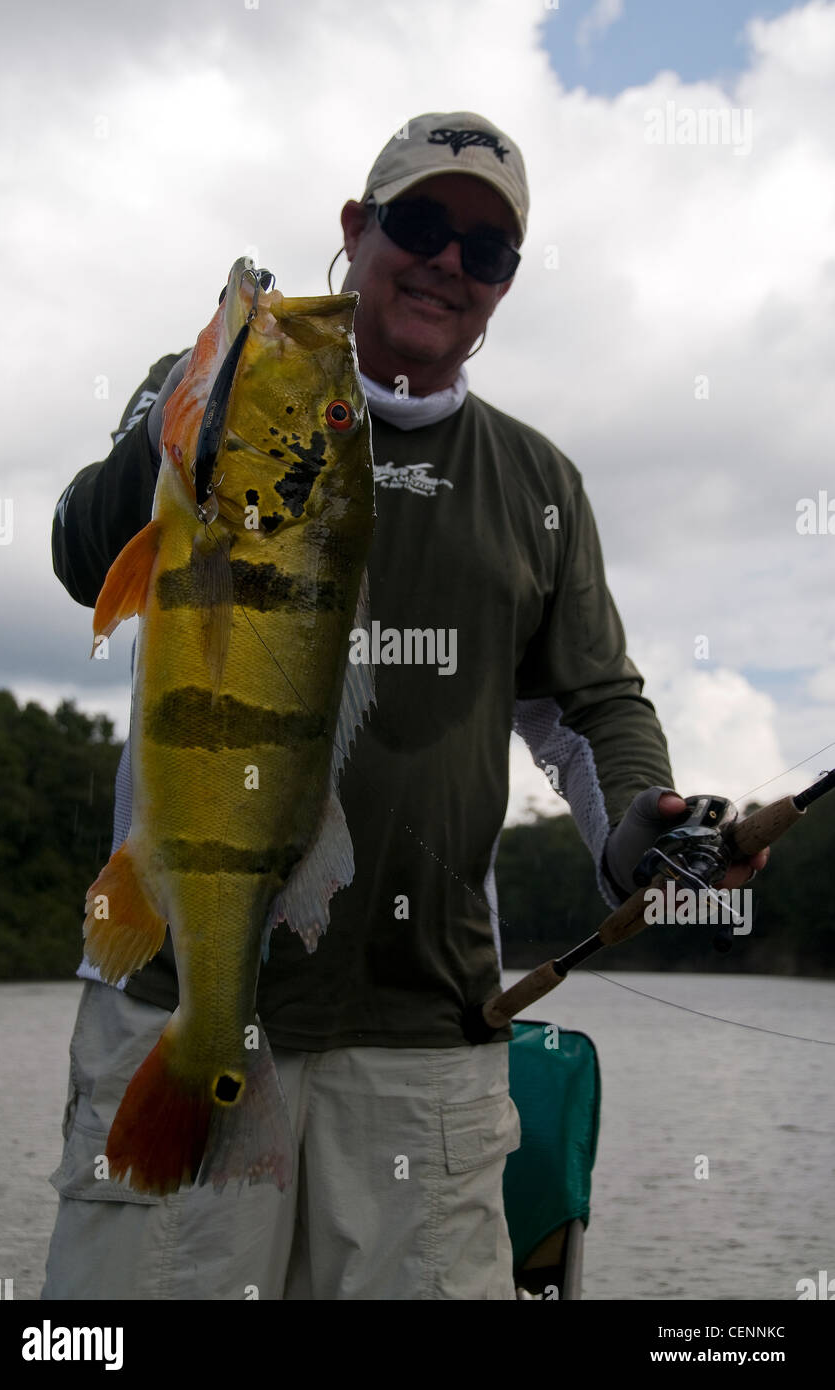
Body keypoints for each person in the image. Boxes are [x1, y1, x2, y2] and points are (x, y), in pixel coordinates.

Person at [42, 111, 766, 1301]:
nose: (446, 261)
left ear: (504, 289)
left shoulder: (538, 484)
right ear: (354, 232)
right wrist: (187, 407)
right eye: (420, 224)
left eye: (484, 251)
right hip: (180, 986)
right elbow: (82, 556)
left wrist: (639, 820)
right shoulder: (199, 401)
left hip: (426, 1035)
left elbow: (591, 701)